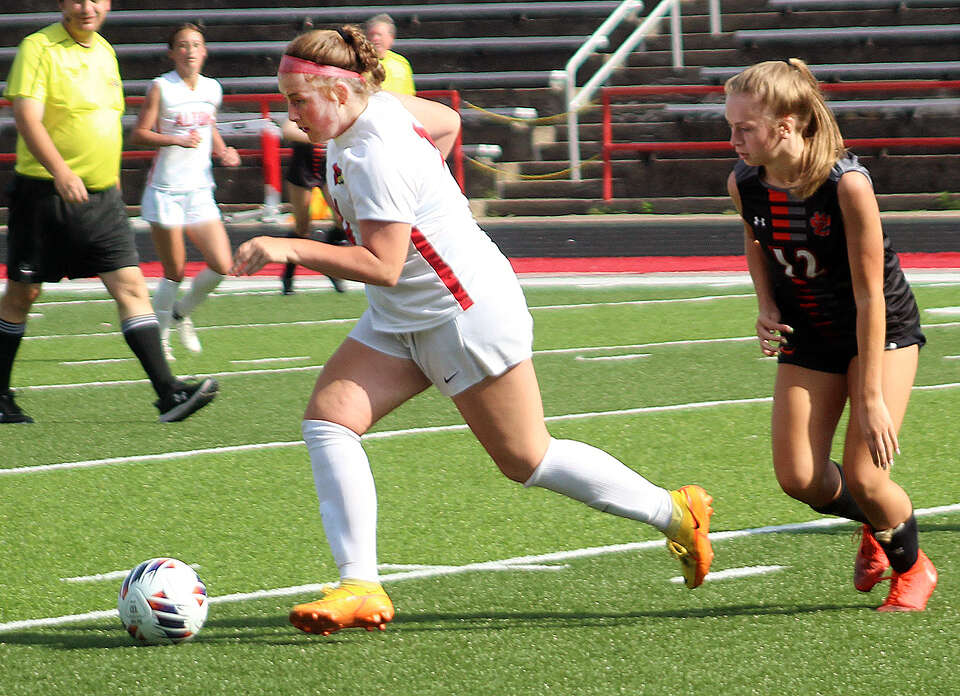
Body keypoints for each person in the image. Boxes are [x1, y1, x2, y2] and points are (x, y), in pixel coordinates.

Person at [233, 26, 715, 637]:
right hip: (405, 309)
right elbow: (446, 126)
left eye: (299, 100)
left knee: (527, 458)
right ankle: (359, 584)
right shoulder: (373, 109)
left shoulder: (371, 151)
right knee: (329, 420)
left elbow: (381, 263)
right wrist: (427, 193)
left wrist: (288, 245)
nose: (291, 115)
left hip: (462, 311)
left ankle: (675, 512)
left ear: (337, 88)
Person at [725, 58, 937, 611]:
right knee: (799, 478)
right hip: (809, 331)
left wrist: (869, 396)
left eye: (744, 128)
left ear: (787, 127)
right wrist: (766, 304)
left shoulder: (847, 185)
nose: (734, 140)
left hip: (879, 332)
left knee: (866, 477)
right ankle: (875, 523)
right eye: (731, 126)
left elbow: (871, 295)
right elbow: (756, 242)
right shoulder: (744, 182)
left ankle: (913, 567)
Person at [0, 0, 218, 424]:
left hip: (102, 199)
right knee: (23, 295)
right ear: (62, 3)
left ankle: (168, 394)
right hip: (44, 196)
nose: (87, 7)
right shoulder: (38, 48)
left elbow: (104, 123)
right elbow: (27, 118)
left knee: (132, 288)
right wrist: (61, 171)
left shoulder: (105, 52)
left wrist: (113, 184)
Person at [130, 23, 240, 360]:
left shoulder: (212, 88)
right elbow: (139, 134)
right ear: (172, 52)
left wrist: (222, 150)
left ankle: (181, 314)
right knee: (174, 271)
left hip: (199, 190)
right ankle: (160, 339)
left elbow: (208, 126)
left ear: (204, 51)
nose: (190, 50)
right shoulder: (162, 87)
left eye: (196, 44)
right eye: (182, 45)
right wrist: (175, 139)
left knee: (222, 265)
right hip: (166, 190)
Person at [278, 119, 347, 295]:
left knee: (341, 218)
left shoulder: (334, 109)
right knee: (302, 227)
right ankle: (288, 276)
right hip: (303, 167)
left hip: (327, 166)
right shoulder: (303, 109)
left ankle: (330, 267)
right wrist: (317, 137)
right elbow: (287, 130)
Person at [364, 14, 415, 96]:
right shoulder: (360, 64)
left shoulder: (402, 64)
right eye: (372, 34)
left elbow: (410, 97)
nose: (375, 38)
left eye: (379, 35)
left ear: (391, 38)